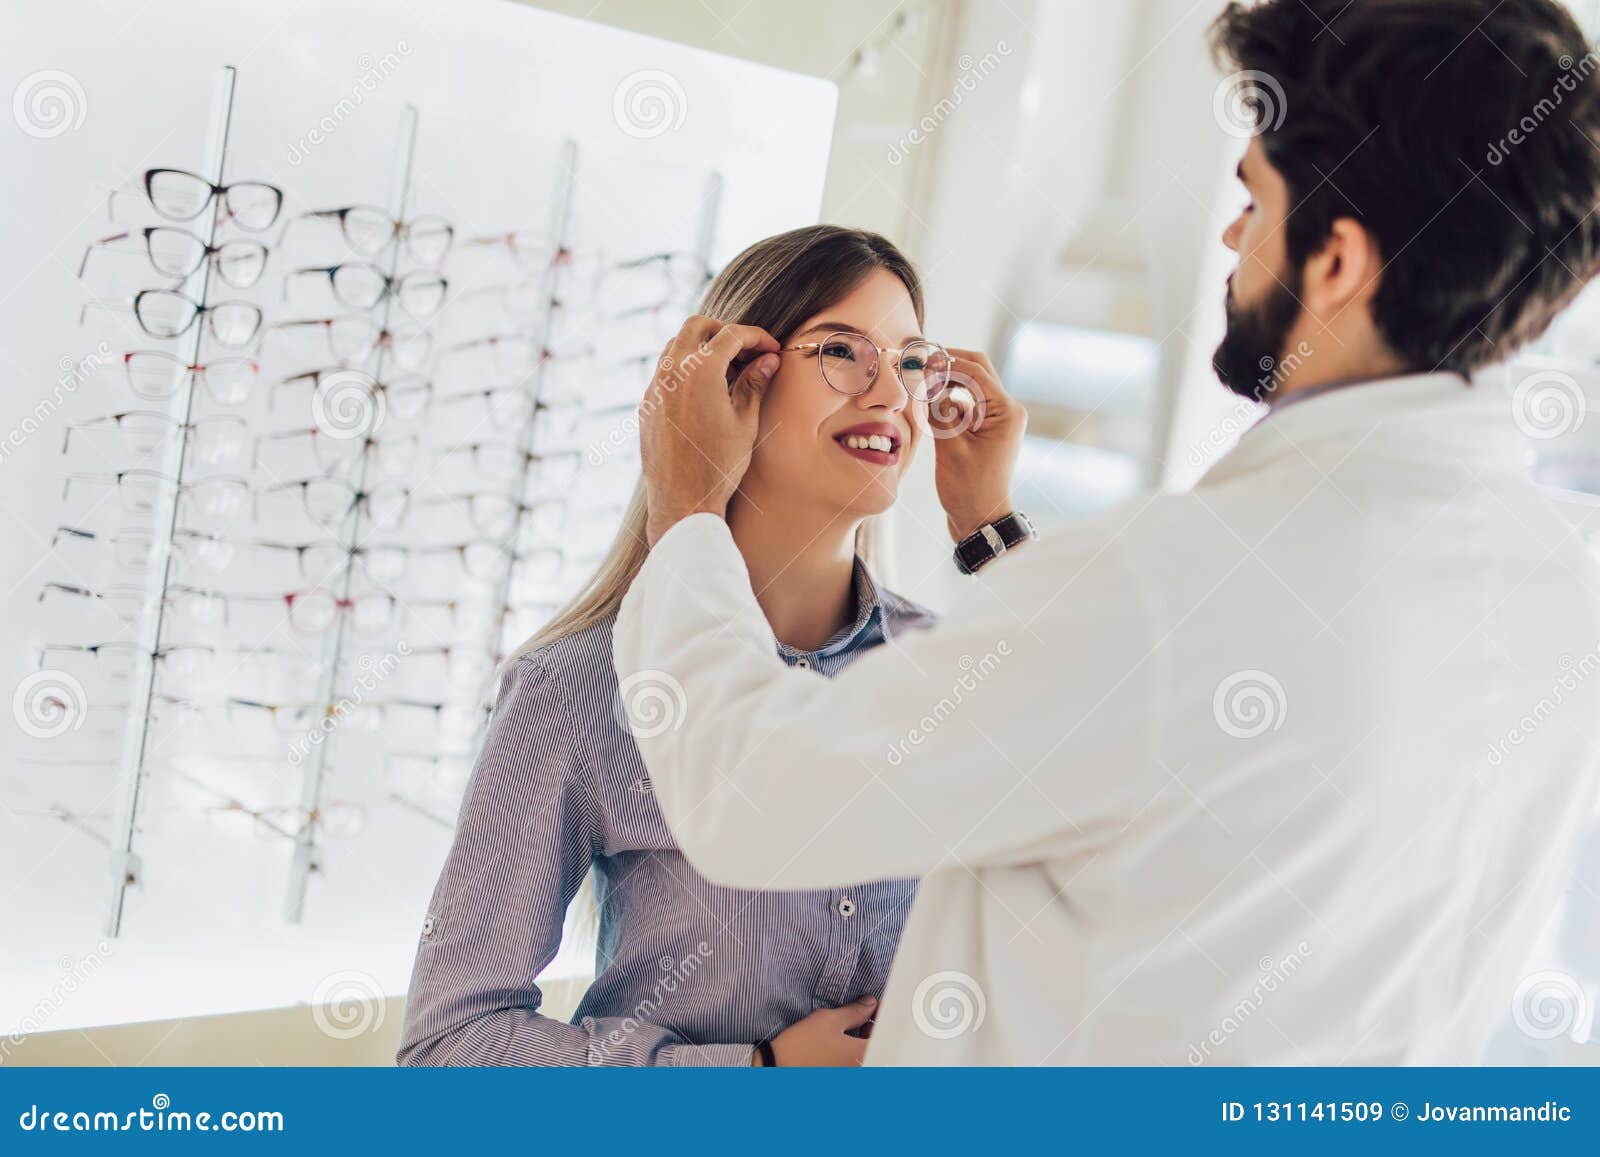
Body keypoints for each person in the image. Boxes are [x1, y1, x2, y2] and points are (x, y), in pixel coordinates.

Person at [613, 0, 1600, 1064]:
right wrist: (992, 534)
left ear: (1336, 265)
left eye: (1252, 197)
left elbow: (754, 796)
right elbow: (1147, 742)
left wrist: (685, 512)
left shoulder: (1169, 588)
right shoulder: (1565, 589)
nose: (1229, 235)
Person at [397, 225, 999, 1065]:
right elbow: (449, 1044)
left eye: (907, 361)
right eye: (842, 352)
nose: (891, 395)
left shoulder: (951, 669)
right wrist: (754, 1075)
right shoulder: (574, 691)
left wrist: (992, 528)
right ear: (735, 381)